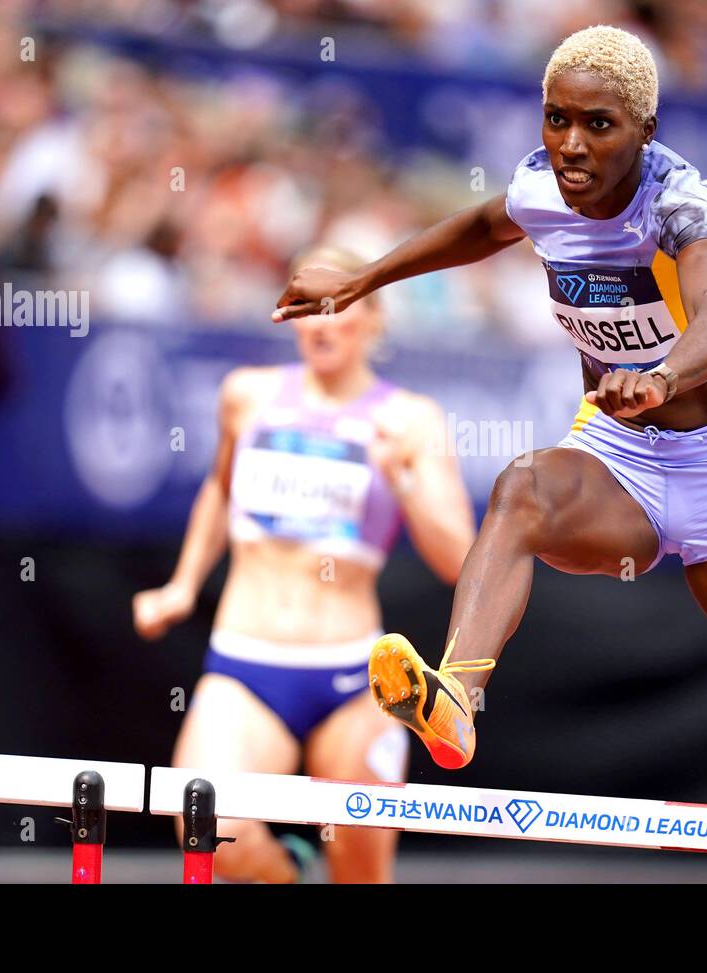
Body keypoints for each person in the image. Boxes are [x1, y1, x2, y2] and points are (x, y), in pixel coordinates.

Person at [272, 26, 707, 786]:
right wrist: (364, 279)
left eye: (598, 125)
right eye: (556, 119)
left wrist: (661, 376)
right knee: (524, 487)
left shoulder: (681, 204)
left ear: (645, 132)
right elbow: (484, 226)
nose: (572, 145)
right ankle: (457, 693)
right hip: (620, 461)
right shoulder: (541, 188)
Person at [135, 244, 475, 881]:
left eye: (338, 305)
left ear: (372, 318)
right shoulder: (248, 395)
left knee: (361, 872)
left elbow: (460, 560)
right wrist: (182, 586)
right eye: (308, 307)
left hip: (353, 677)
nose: (321, 323)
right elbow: (218, 487)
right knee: (205, 823)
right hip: (246, 662)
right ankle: (293, 874)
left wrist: (403, 479)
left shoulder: (410, 419)